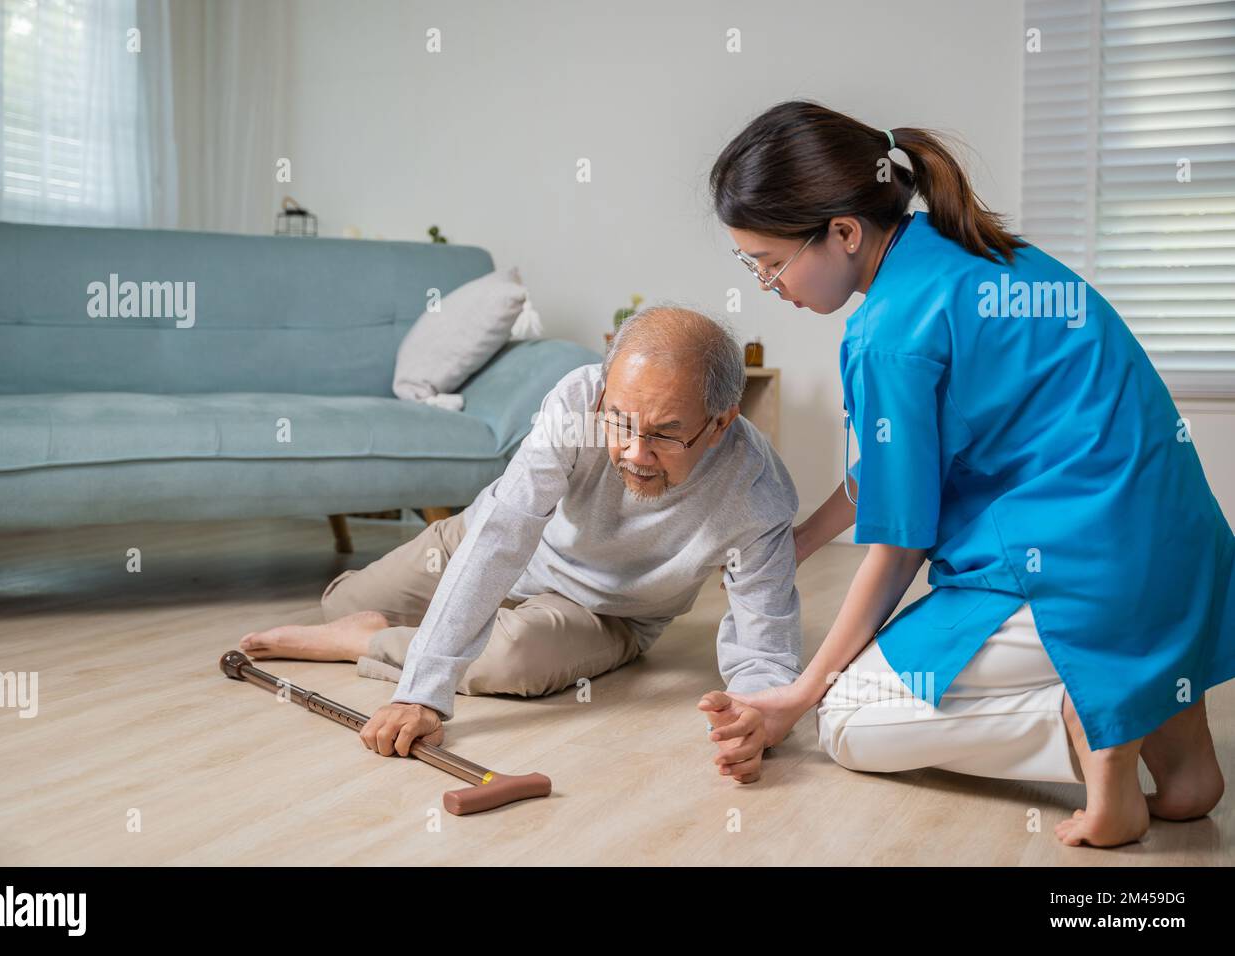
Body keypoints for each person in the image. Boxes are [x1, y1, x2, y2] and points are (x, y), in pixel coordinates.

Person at [698, 100, 1232, 847]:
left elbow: (899, 548)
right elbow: (894, 464)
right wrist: (795, 545)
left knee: (848, 717)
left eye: (769, 261)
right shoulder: (970, 253)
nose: (765, 283)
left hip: (1077, 567)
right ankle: (1180, 766)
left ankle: (1090, 718)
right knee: (1187, 790)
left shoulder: (887, 332)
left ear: (844, 233)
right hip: (1175, 546)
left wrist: (798, 693)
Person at [242, 306, 803, 779]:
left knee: (513, 659)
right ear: (604, 393)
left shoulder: (758, 492)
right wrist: (423, 688)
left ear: (723, 421)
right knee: (340, 600)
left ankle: (367, 643)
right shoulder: (576, 400)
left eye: (662, 435)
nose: (634, 452)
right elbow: (501, 539)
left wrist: (755, 713)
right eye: (620, 423)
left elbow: (765, 648)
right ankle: (363, 625)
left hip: (606, 611)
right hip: (502, 544)